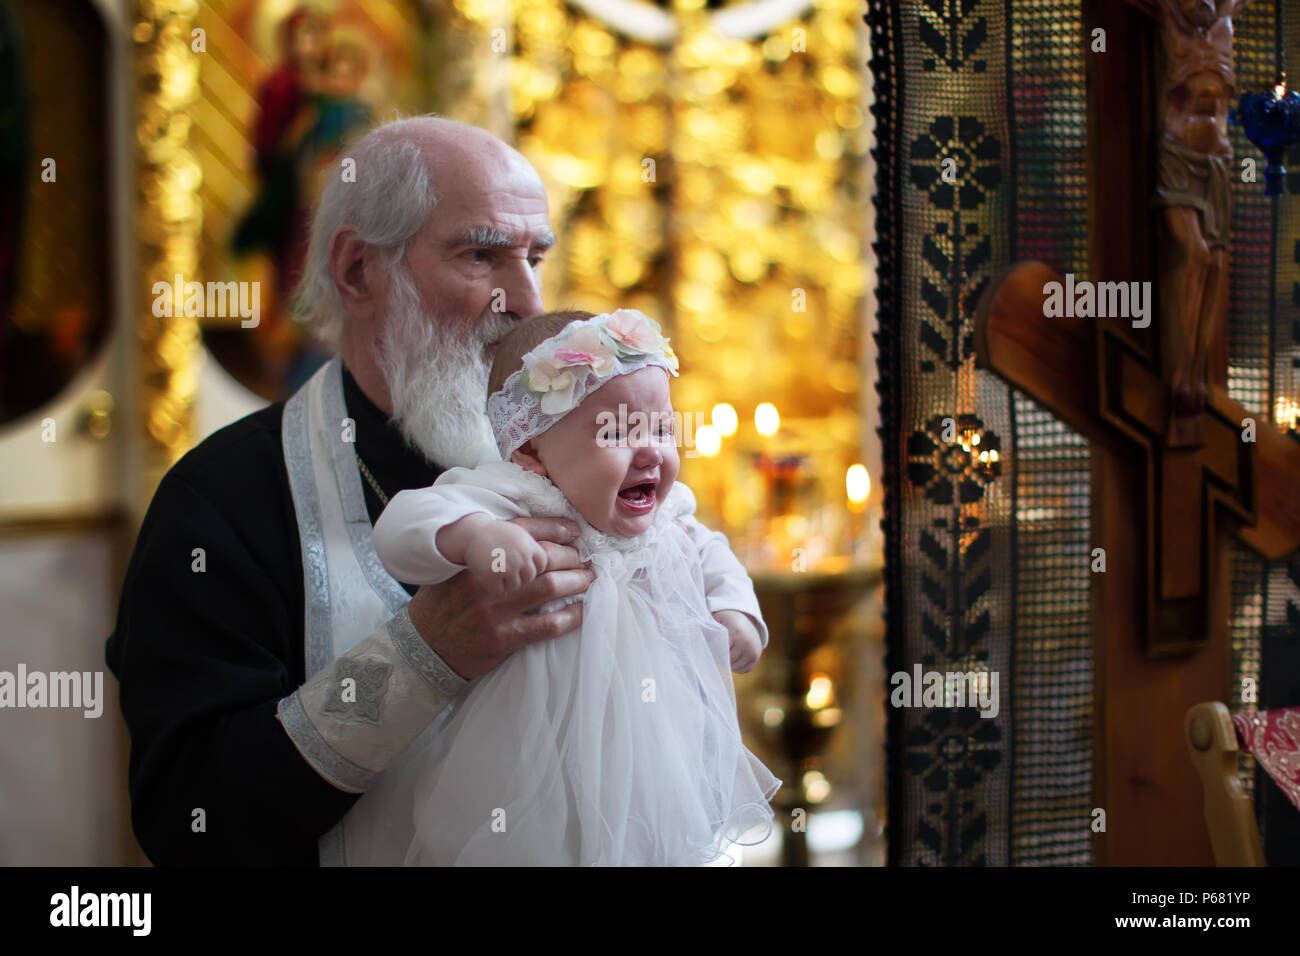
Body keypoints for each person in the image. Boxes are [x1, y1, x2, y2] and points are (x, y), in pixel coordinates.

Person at [106, 116, 595, 865]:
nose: (528, 303)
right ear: (360, 272)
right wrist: (420, 655)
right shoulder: (220, 501)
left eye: (535, 257)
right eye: (481, 254)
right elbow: (190, 814)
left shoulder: (570, 462)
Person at [365, 309, 779, 865]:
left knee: (644, 839)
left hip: (650, 744)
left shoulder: (669, 514)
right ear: (532, 452)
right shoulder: (520, 498)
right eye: (617, 432)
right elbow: (400, 525)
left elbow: (713, 552)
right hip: (532, 749)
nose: (652, 450)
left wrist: (736, 611)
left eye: (660, 427)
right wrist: (477, 537)